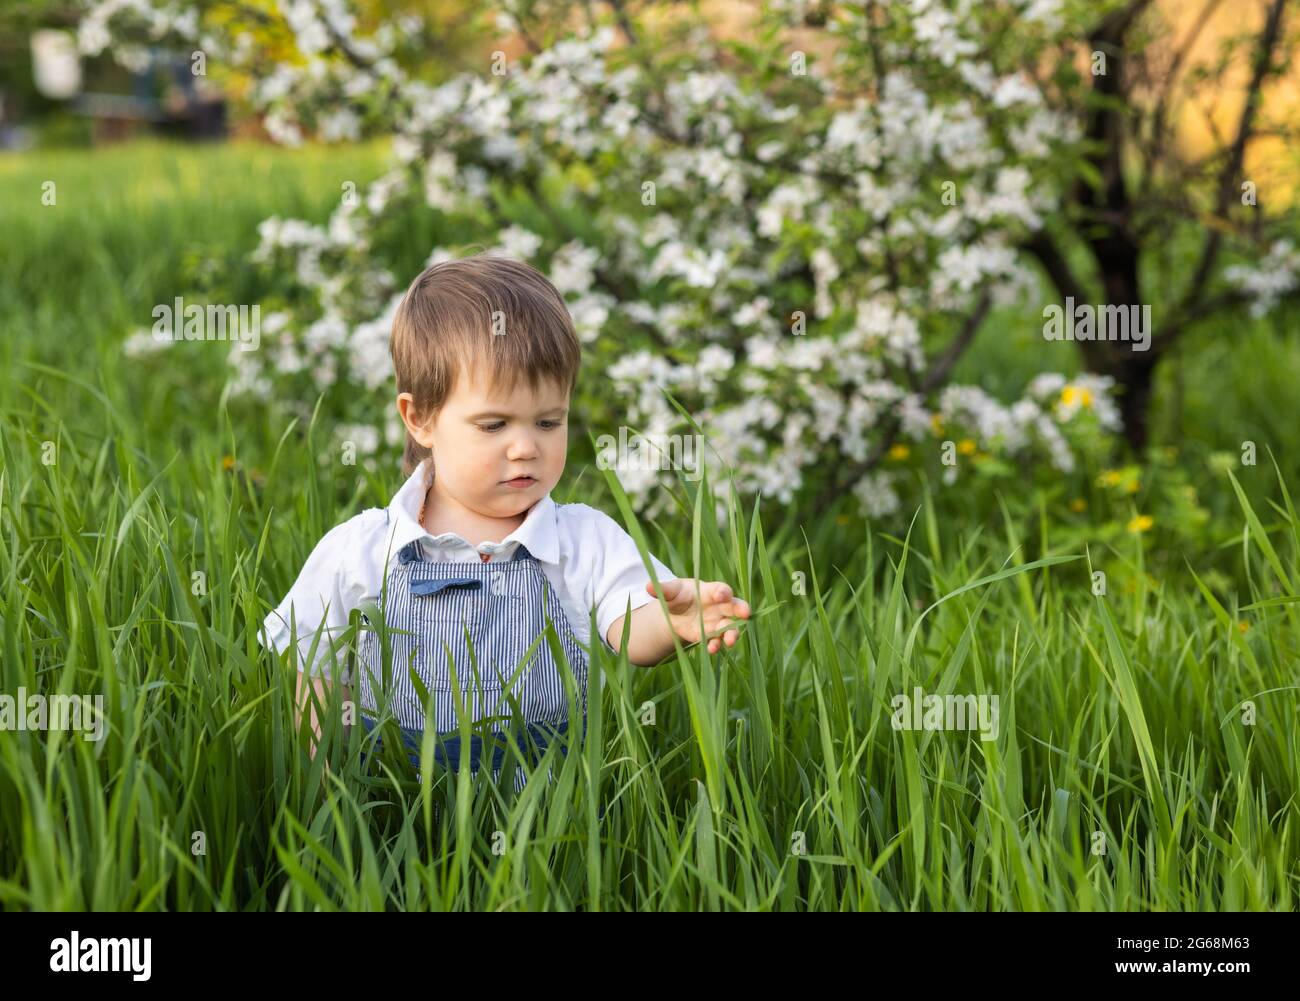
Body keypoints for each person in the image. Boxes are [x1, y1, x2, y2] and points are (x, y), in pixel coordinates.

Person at [260, 253, 750, 791]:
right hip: (395, 803)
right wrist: (326, 783)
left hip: (545, 812)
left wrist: (674, 625)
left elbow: (630, 622)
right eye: (493, 425)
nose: (525, 448)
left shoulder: (581, 539)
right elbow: (316, 670)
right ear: (420, 418)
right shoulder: (363, 550)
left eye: (548, 421)